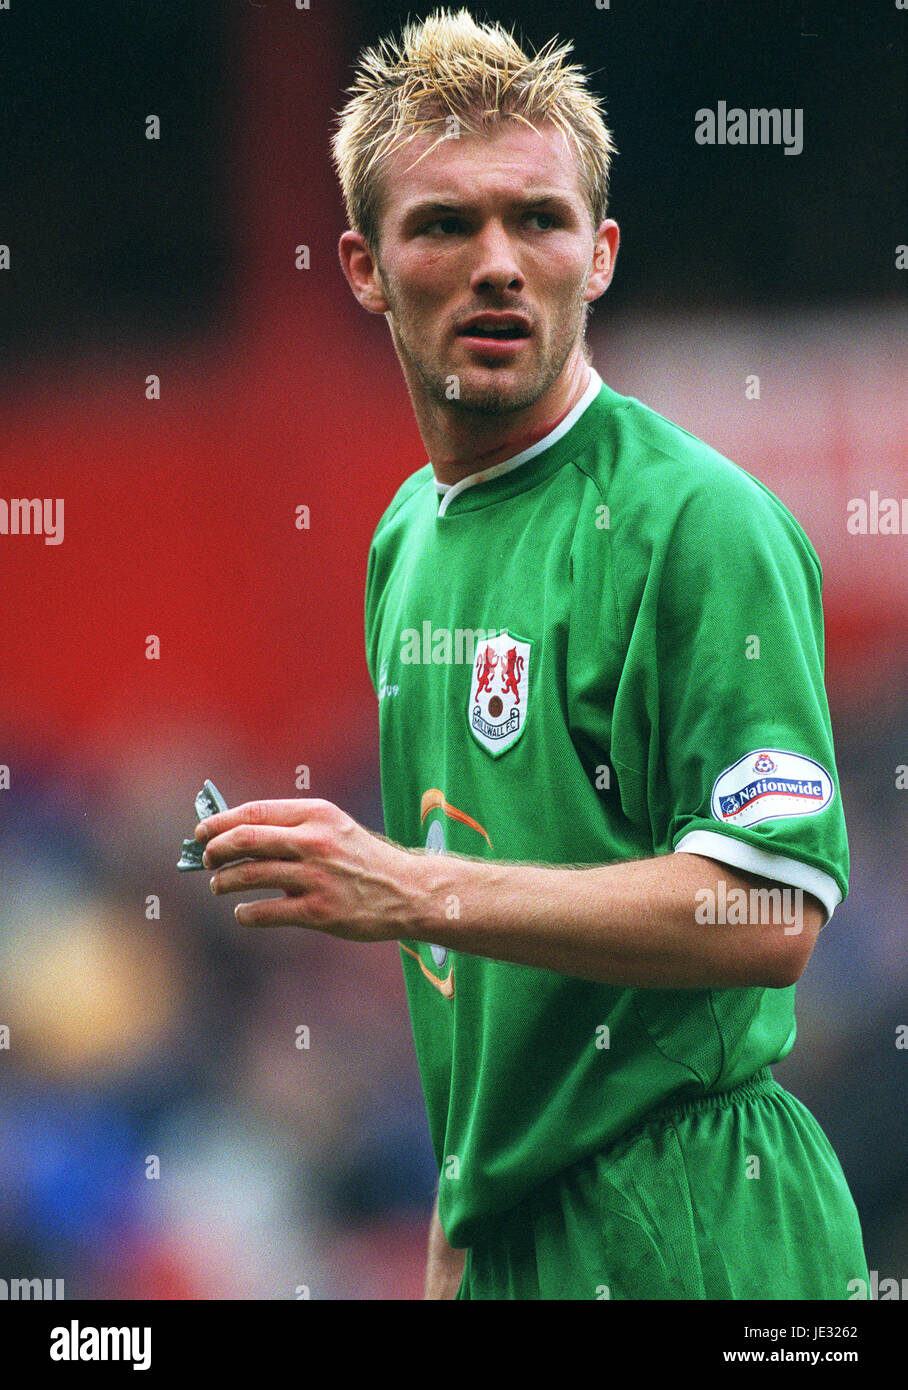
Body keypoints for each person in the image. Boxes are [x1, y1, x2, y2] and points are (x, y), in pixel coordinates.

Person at [197, 9, 869, 1299]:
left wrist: (401, 889)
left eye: (541, 221)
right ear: (363, 267)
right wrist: (461, 1228)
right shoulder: (408, 535)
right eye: (444, 226)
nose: (499, 263)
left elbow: (773, 909)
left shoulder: (698, 523)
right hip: (514, 1225)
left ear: (600, 253)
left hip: (693, 1223)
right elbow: (485, 990)